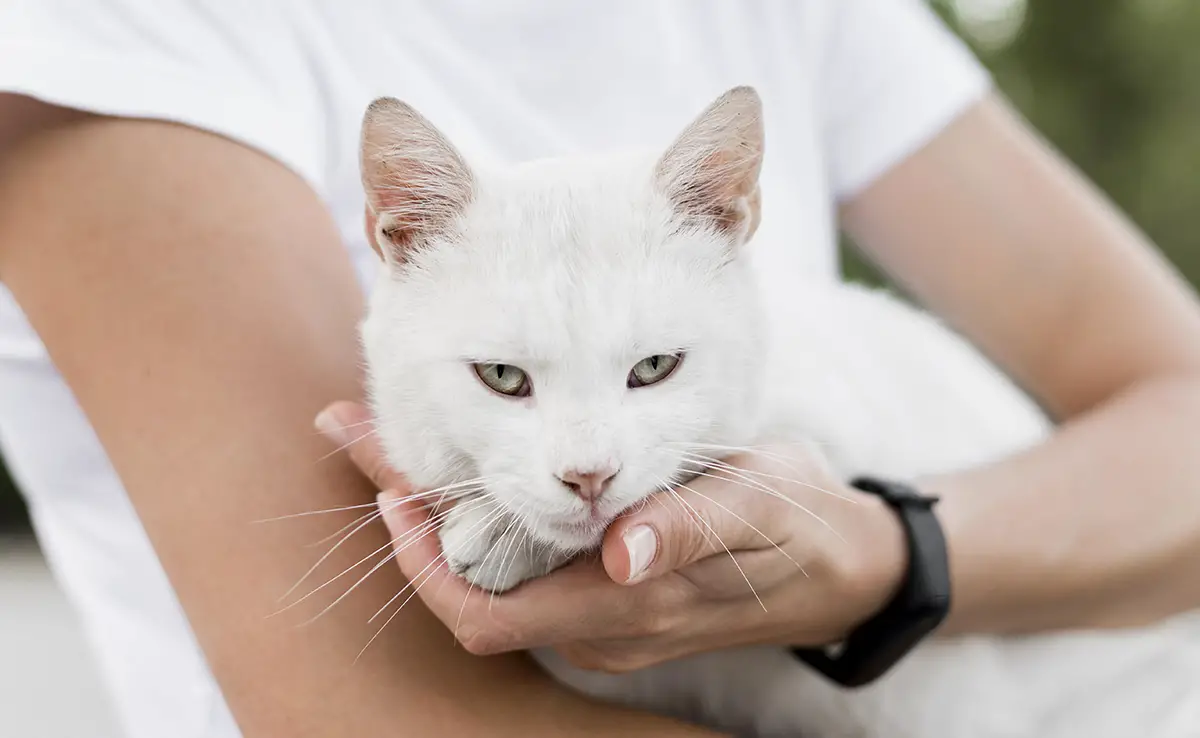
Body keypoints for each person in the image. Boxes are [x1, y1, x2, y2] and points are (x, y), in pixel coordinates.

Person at [2, 1, 1199, 736]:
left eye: (653, 369)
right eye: (505, 379)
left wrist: (884, 554)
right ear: (396, 236)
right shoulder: (115, 31)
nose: (586, 462)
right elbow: (362, 715)